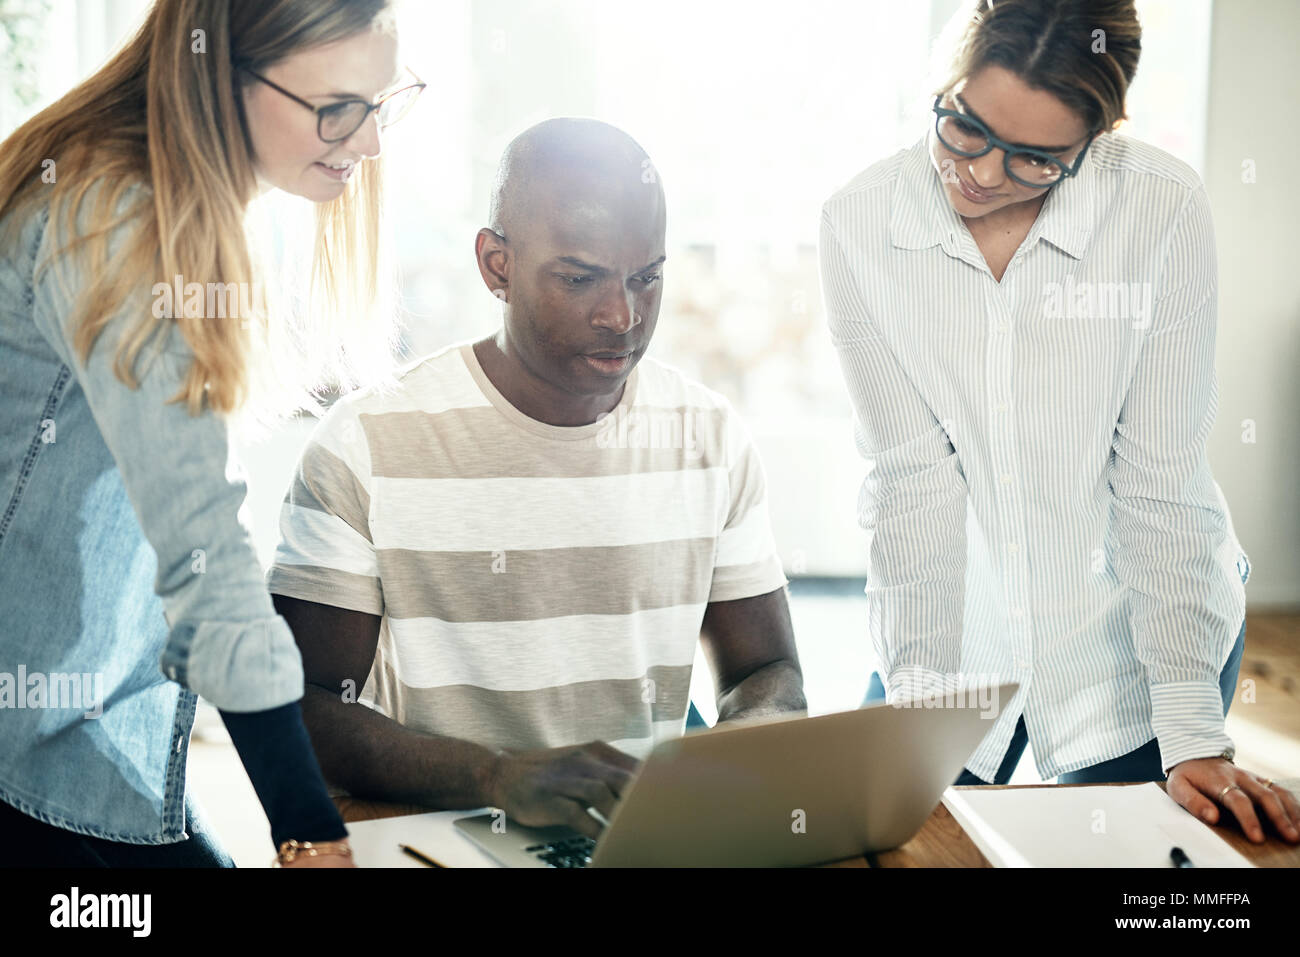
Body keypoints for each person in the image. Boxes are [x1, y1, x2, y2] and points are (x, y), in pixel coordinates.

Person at [820, 0, 1299, 844]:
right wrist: (917, 705)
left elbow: (1161, 478)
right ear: (946, 82)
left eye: (1037, 159)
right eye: (964, 127)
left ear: (1099, 138)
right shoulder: (859, 224)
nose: (982, 174)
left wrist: (1191, 728)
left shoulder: (1161, 210)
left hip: (1138, 630)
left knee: (1141, 868)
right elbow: (910, 483)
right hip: (961, 623)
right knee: (884, 839)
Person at [267, 117, 807, 839]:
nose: (623, 315)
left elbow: (764, 667)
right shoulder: (366, 444)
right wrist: (496, 776)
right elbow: (301, 706)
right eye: (580, 278)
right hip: (440, 835)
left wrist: (744, 750)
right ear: (497, 265)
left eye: (647, 277)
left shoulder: (708, 437)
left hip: (636, 842)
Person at [0, 0, 425, 866]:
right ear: (223, 72)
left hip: (79, 729)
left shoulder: (198, 204)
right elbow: (206, 551)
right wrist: (308, 827)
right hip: (26, 752)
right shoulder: (113, 216)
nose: (369, 142)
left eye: (382, 103)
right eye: (337, 108)